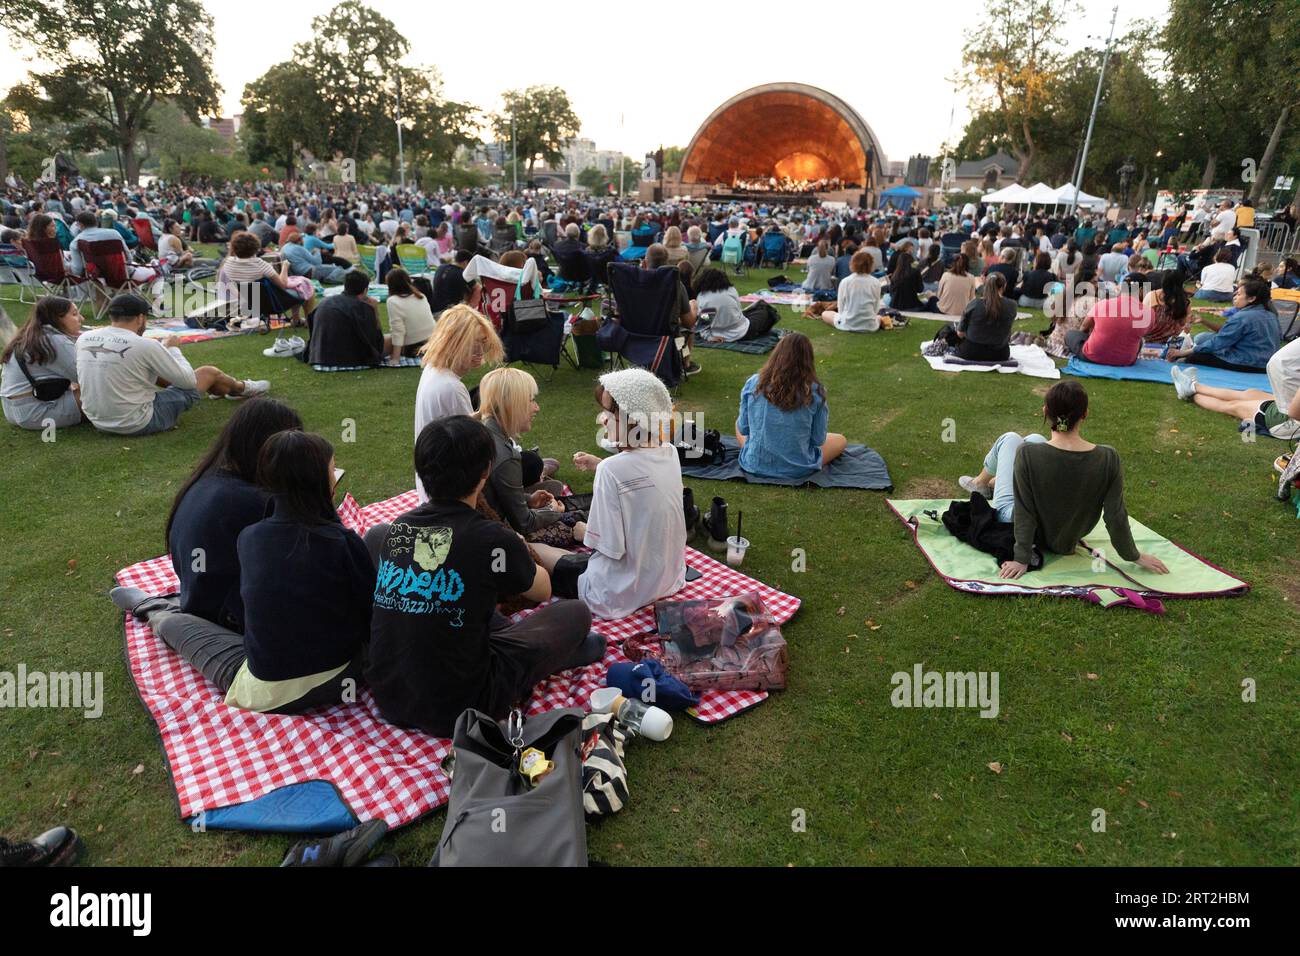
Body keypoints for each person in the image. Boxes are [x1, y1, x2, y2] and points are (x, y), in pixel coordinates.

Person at [365, 415, 601, 738]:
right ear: (485, 473)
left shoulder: (397, 530)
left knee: (459, 608)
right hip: (461, 706)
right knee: (574, 613)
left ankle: (542, 652)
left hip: (389, 697)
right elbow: (543, 590)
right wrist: (518, 545)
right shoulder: (491, 539)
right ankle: (550, 658)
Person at [112, 431, 374, 715]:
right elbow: (371, 611)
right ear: (320, 484)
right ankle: (160, 609)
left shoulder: (250, 538)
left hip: (267, 686)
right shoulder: (343, 542)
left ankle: (154, 609)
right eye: (331, 471)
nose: (335, 478)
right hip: (340, 674)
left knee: (177, 628)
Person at [957, 381, 1169, 579]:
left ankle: (981, 484)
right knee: (1033, 440)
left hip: (1024, 526)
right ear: (1084, 414)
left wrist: (1021, 559)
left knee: (1011, 439)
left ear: (1045, 412)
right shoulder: (1109, 457)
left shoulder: (1028, 455)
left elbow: (1025, 512)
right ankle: (989, 484)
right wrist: (1134, 556)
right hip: (1069, 535)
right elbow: (1115, 516)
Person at [530, 369, 686, 620]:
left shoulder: (611, 471)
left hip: (616, 594)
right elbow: (639, 475)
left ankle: (520, 544)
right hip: (666, 579)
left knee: (535, 549)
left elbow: (607, 547)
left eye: (609, 413)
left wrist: (583, 531)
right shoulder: (668, 452)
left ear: (633, 420)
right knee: (574, 559)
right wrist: (600, 464)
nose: (602, 420)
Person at [164, 398, 304, 632]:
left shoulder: (207, 480)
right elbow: (308, 561)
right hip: (228, 618)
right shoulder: (258, 503)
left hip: (199, 599)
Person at [76, 294, 268, 435]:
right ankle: (241, 388)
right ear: (141, 318)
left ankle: (221, 390)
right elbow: (189, 382)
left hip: (97, 421)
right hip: (136, 422)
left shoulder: (85, 337)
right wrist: (172, 349)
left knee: (151, 369)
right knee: (208, 373)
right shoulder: (145, 344)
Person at [476, 367, 581, 544]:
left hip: (475, 521)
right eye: (531, 400)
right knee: (575, 521)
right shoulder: (505, 455)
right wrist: (553, 513)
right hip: (488, 533)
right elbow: (524, 523)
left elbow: (495, 495)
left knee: (553, 488)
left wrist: (528, 500)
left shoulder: (484, 431)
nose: (536, 408)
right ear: (513, 405)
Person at [414, 303, 504, 501]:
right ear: (453, 343)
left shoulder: (433, 369)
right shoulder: (452, 387)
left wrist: (482, 412)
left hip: (431, 482)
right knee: (528, 464)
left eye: (482, 341)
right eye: (472, 343)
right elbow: (475, 448)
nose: (480, 350)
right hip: (450, 492)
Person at [735, 331, 847, 478]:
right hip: (798, 468)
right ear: (808, 359)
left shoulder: (753, 383)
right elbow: (818, 439)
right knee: (840, 440)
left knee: (737, 424)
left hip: (754, 464)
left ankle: (760, 455)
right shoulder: (815, 391)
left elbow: (743, 427)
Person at [1169, 336, 1300, 439]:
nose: (1234, 299)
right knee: (1250, 393)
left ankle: (1191, 393)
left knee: (1233, 406)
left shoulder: (1246, 317)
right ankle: (1194, 386)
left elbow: (1221, 339)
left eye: (1237, 298)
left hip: (1287, 421)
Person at [1, 295, 83, 431]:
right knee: (102, 390)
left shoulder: (27, 337)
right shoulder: (54, 340)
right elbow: (86, 377)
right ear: (57, 318)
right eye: (74, 314)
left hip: (13, 411)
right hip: (37, 412)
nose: (81, 319)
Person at [1168, 276, 1280, 373]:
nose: (1234, 296)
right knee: (1203, 339)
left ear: (1251, 298)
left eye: (1239, 294)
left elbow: (1218, 343)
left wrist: (1183, 352)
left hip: (1247, 362)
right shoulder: (1271, 315)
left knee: (1196, 356)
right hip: (1266, 363)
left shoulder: (1243, 317)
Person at [216, 231, 315, 324]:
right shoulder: (260, 265)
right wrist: (285, 267)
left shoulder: (228, 263)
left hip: (252, 304)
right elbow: (283, 284)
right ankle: (309, 321)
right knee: (306, 287)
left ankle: (296, 319)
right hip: (274, 303)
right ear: (256, 247)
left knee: (298, 285)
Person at [305, 269, 384, 367]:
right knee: (394, 340)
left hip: (318, 355)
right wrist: (375, 310)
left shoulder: (324, 302)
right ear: (365, 290)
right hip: (347, 359)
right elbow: (376, 343)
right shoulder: (362, 308)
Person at [1064, 285, 1151, 366]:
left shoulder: (1102, 304)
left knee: (1070, 334)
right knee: (1139, 340)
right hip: (1126, 360)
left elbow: (1084, 327)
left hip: (1092, 356)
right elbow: (1142, 334)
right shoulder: (1148, 313)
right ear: (1141, 292)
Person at [946, 272, 1016, 361]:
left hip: (971, 352)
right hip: (1000, 354)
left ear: (985, 285)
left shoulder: (974, 304)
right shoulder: (1012, 306)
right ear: (1004, 286)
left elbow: (960, 334)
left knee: (951, 329)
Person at [694, 267, 775, 343]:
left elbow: (704, 323)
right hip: (740, 332)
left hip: (716, 333)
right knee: (764, 311)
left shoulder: (702, 297)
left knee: (755, 310)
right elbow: (739, 313)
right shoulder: (730, 290)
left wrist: (709, 337)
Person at [819, 248, 882, 331]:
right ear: (871, 265)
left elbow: (840, 307)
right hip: (870, 325)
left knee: (825, 314)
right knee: (879, 317)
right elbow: (876, 308)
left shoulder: (845, 281)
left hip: (847, 324)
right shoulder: (876, 282)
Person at [383, 267, 435, 364]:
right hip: (431, 343)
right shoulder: (421, 296)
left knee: (382, 341)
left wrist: (395, 358)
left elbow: (398, 331)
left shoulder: (393, 301)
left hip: (413, 348)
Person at [1141, 271, 1192, 343]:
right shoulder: (1184, 301)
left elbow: (1142, 322)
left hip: (1149, 340)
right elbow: (1186, 326)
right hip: (1173, 342)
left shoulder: (1151, 296)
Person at [937, 252, 981, 317]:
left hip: (944, 309)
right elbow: (972, 299)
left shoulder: (946, 275)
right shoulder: (971, 277)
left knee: (932, 299)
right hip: (963, 310)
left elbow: (939, 295)